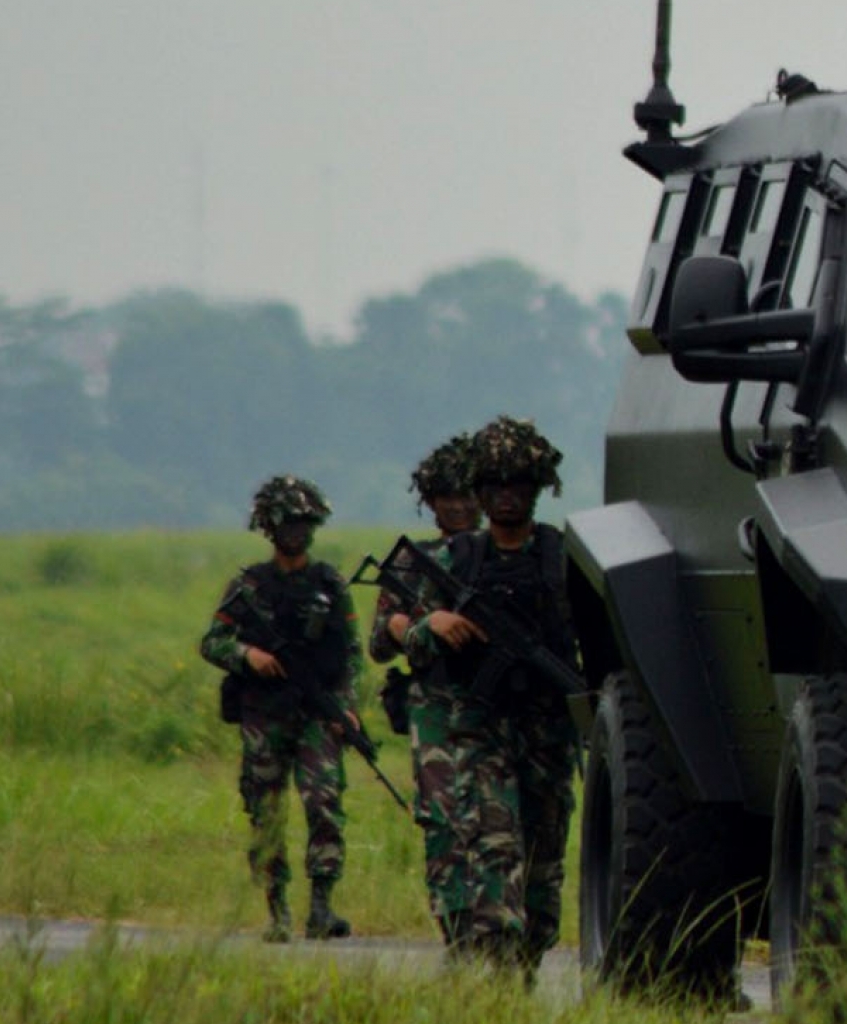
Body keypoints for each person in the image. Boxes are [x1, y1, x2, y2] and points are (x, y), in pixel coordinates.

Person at [393, 415, 582, 971]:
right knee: (494, 849)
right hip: (480, 730)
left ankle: (522, 972)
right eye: (494, 485)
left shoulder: (564, 559)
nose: (506, 495)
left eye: (518, 483)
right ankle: (494, 979)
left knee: (543, 868)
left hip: (547, 730)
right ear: (479, 491)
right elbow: (398, 630)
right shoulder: (454, 560)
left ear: (537, 488)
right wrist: (434, 625)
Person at [198, 474, 361, 942]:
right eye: (287, 523)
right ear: (269, 528)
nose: (296, 532)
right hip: (264, 713)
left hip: (316, 712)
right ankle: (278, 911)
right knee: (265, 809)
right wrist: (248, 655)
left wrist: (346, 707)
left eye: (303, 523)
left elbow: (351, 652)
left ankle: (322, 907)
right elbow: (213, 641)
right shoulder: (249, 585)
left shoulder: (330, 583)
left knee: (324, 801)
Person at [367, 433, 480, 937]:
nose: (459, 506)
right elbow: (379, 641)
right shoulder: (412, 562)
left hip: (496, 705)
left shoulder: (499, 555)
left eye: (467, 494)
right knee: (443, 821)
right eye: (447, 496)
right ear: (430, 502)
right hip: (434, 705)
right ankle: (456, 929)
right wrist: (417, 626)